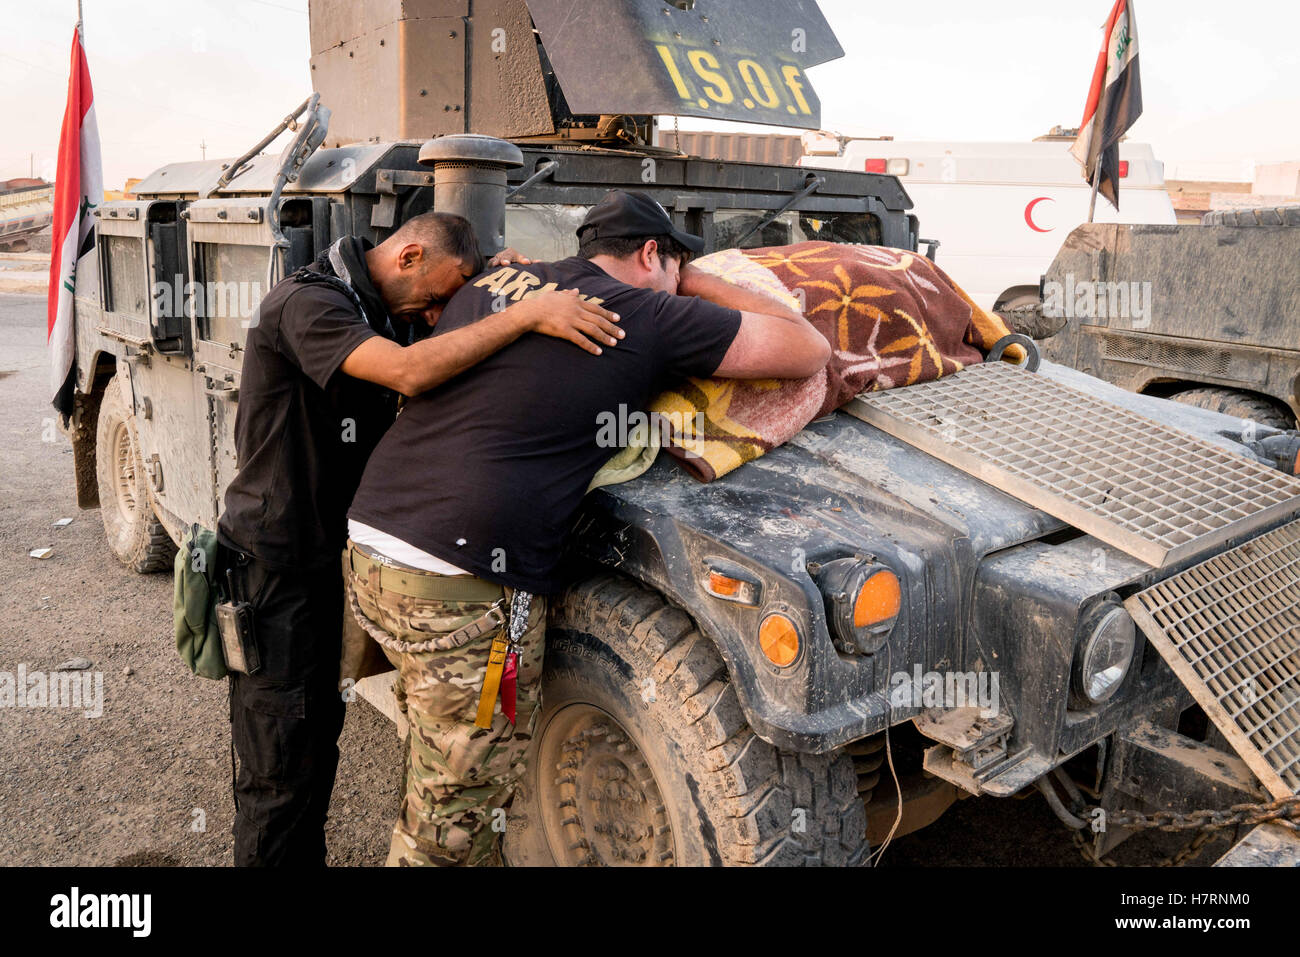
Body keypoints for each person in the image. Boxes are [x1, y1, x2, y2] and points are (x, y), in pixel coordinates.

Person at [344, 190, 831, 866]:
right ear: (652, 254)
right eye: (674, 264)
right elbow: (810, 348)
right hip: (464, 587)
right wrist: (696, 281)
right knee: (457, 812)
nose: (678, 283)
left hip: (374, 543)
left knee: (443, 747)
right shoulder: (652, 312)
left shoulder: (499, 280)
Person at [215, 211, 622, 867]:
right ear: (407, 256)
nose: (437, 313)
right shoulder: (309, 303)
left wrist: (495, 283)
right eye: (440, 292)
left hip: (331, 563)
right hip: (275, 572)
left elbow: (437, 326)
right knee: (278, 763)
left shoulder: (382, 302)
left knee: (318, 741)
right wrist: (523, 315)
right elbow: (407, 371)